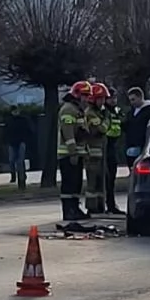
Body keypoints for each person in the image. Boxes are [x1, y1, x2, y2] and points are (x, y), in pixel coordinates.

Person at [57, 81, 91, 221]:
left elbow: (82, 133)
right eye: (85, 96)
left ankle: (75, 209)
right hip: (68, 155)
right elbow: (68, 133)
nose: (87, 99)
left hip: (77, 154)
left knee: (76, 184)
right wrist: (73, 152)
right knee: (69, 184)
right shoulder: (68, 110)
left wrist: (84, 151)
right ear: (77, 95)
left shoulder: (77, 110)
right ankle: (68, 211)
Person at [83, 82, 110, 215]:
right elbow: (102, 129)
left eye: (104, 98)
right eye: (100, 99)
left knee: (100, 182)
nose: (103, 101)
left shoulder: (98, 113)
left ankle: (100, 206)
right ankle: (92, 207)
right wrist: (107, 119)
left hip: (99, 153)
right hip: (93, 154)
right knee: (92, 183)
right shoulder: (91, 113)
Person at [102, 87, 125, 215]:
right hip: (105, 145)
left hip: (113, 145)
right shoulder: (104, 111)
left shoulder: (116, 111)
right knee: (107, 179)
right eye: (110, 98)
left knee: (111, 179)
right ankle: (107, 204)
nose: (113, 100)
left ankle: (111, 205)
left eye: (115, 97)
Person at [122, 86, 150, 166]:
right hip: (130, 146)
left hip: (143, 147)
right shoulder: (131, 112)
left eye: (133, 99)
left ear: (140, 97)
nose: (132, 102)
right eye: (130, 100)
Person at [3, 105, 33, 189]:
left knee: (20, 161)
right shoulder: (9, 120)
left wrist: (26, 140)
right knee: (12, 160)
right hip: (13, 143)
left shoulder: (23, 120)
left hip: (21, 142)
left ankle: (21, 179)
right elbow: (5, 131)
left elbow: (29, 130)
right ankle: (15, 175)